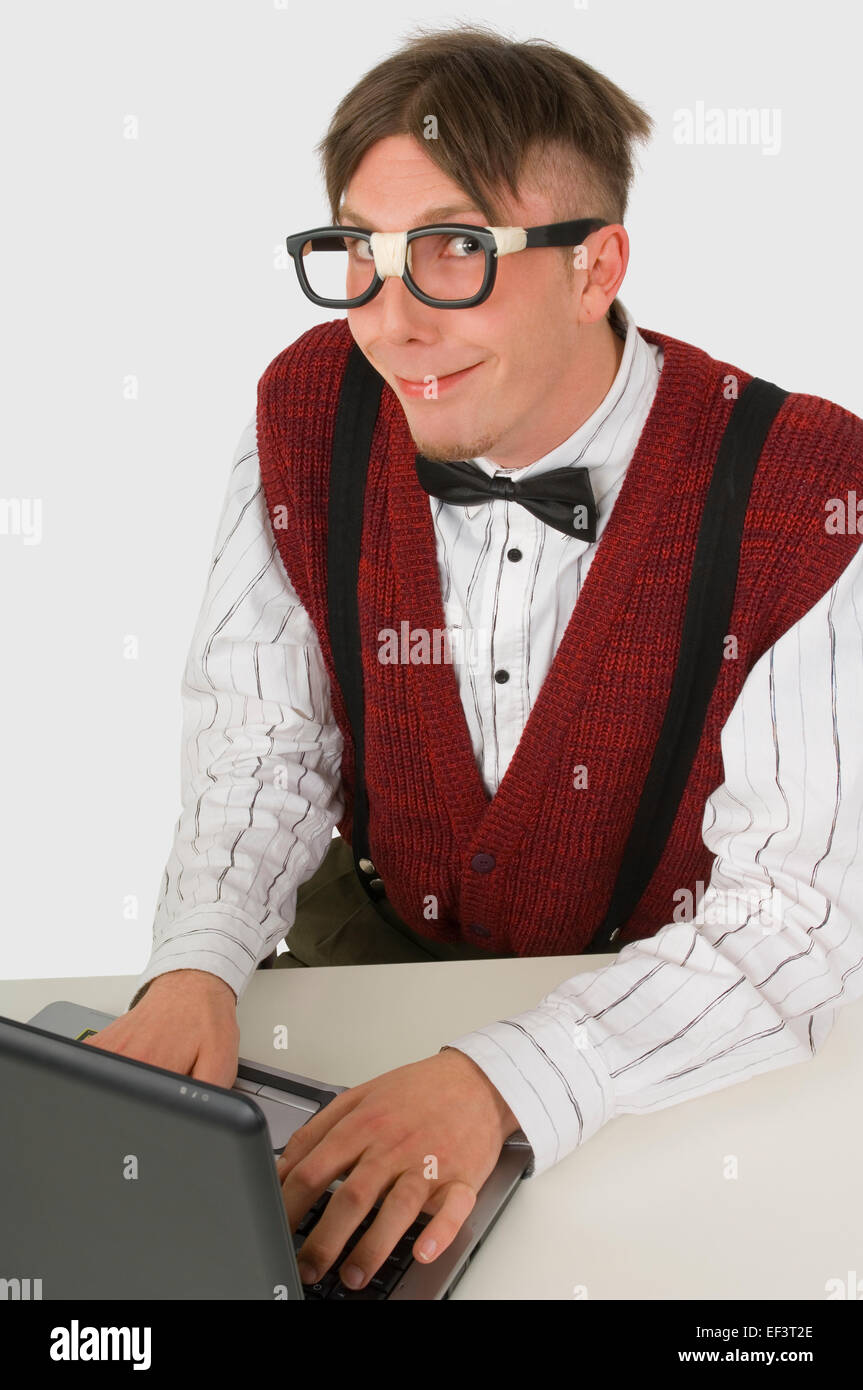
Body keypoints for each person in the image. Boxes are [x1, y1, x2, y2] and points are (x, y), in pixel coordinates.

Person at [84, 23, 863, 1296]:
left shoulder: (808, 490)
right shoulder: (306, 406)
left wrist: (503, 1079)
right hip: (360, 952)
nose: (390, 325)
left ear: (594, 264)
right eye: (357, 254)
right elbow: (262, 739)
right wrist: (197, 962)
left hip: (658, 1011)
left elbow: (795, 920)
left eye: (455, 250)